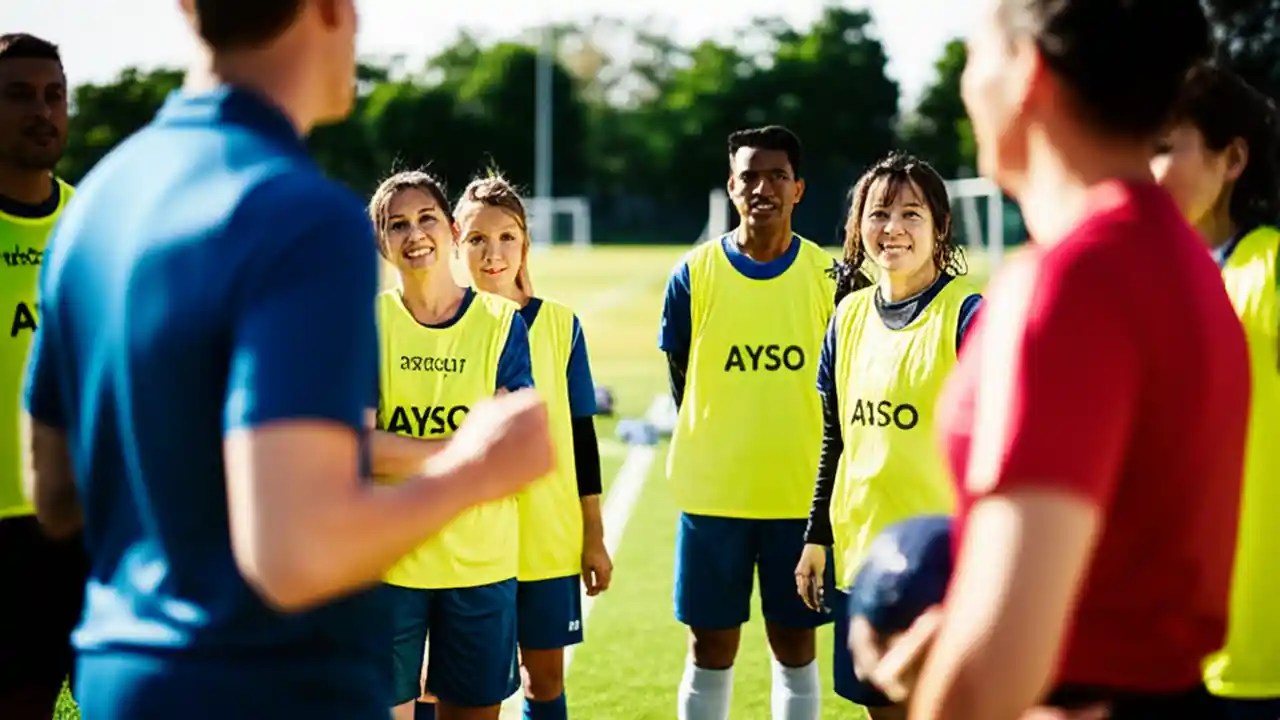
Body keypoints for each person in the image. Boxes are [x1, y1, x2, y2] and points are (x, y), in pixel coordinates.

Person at [20, 3, 553, 719]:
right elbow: (297, 557)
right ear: (329, 10)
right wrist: (476, 470)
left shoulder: (96, 203)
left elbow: (52, 491)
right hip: (265, 686)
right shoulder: (299, 213)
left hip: (124, 680)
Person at [851, 1, 1249, 719]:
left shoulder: (1075, 281)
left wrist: (929, 693)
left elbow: (1000, 663)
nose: (966, 85)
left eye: (974, 55)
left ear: (1027, 72)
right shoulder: (1178, 256)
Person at [794, 152, 981, 720]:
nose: (892, 228)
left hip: (947, 567)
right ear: (858, 226)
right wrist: (816, 535)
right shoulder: (847, 316)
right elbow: (837, 437)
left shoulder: (968, 318)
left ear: (940, 227)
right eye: (878, 214)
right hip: (863, 562)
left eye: (911, 213)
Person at [659, 124, 837, 720]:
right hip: (714, 498)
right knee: (710, 648)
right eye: (750, 176)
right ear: (732, 187)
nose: (762, 187)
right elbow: (681, 375)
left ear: (799, 188)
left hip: (799, 500)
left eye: (776, 176)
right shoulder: (693, 275)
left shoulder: (830, 278)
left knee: (795, 647)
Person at [368, 170, 535, 720]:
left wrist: (407, 449)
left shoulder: (501, 323)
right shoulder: (368, 325)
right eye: (397, 225)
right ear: (382, 241)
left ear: (452, 229)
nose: (414, 234)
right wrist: (464, 449)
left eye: (426, 219)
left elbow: (513, 450)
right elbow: (355, 446)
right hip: (389, 564)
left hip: (479, 563)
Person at [452, 171, 613, 720]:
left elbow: (582, 439)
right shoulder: (443, 325)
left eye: (506, 238)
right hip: (463, 543)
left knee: (542, 682)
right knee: (457, 687)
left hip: (547, 537)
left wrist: (593, 538)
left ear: (524, 241)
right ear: (457, 241)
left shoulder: (562, 325)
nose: (493, 253)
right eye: (477, 239)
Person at [1151, 62, 1280, 720]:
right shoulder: (1139, 282)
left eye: (1165, 149)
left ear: (1233, 159)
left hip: (1258, 648)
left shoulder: (1270, 269)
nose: (1147, 172)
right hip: (1155, 644)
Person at [0, 33, 85, 720]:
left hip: (87, 515)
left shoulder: (95, 226)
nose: (42, 111)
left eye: (54, 96)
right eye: (20, 95)